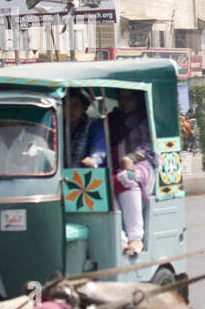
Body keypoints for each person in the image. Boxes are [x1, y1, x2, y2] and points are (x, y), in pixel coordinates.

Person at [83, 89, 156, 257]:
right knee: (101, 185)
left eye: (129, 99)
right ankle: (121, 239)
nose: (125, 103)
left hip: (143, 166)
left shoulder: (145, 120)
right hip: (115, 169)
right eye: (122, 99)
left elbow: (149, 146)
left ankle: (136, 237)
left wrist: (131, 158)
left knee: (126, 178)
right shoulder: (112, 121)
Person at [65, 89, 106, 169]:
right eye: (66, 105)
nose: (70, 110)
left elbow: (99, 151)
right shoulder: (56, 123)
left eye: (75, 106)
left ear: (84, 108)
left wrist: (92, 161)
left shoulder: (94, 125)